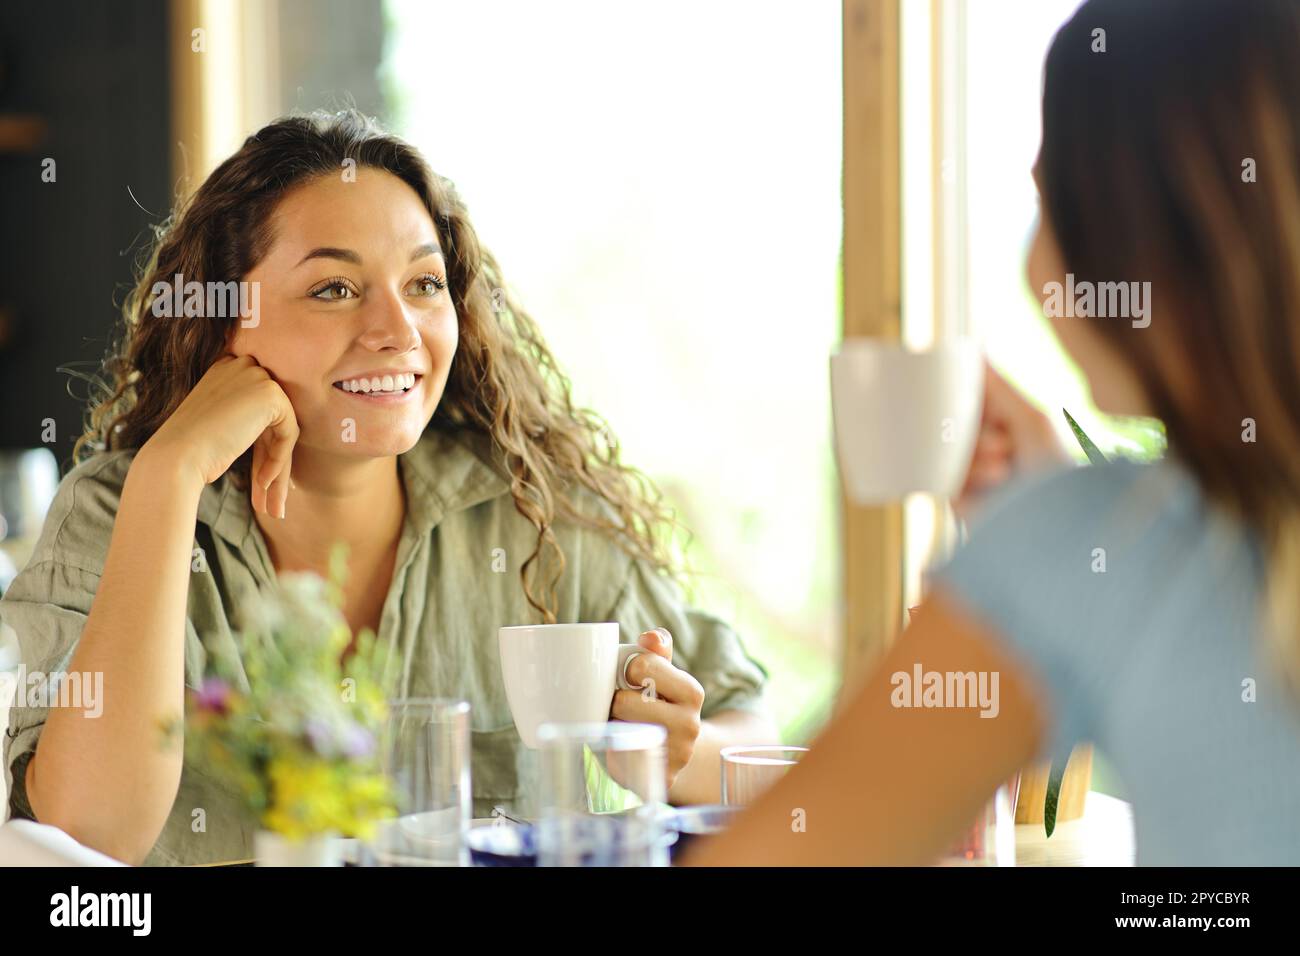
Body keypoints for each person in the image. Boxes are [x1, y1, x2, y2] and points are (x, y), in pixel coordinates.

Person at [0, 111, 775, 865]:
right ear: (224, 321)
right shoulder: (117, 509)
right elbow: (87, 839)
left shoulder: (532, 512)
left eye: (424, 284)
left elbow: (755, 740)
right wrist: (168, 477)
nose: (399, 331)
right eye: (334, 289)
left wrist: (676, 750)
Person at [688, 0, 1300, 866]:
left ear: (1132, 239)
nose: (1032, 264)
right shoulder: (1123, 542)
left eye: (1048, 201)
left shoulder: (1091, 545)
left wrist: (1065, 542)